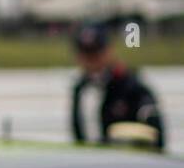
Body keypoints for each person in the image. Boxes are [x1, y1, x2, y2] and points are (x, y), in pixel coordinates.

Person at [70, 21, 165, 151]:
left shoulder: (132, 87)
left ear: (108, 50)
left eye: (95, 53)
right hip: (90, 164)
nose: (90, 59)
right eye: (85, 53)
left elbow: (157, 137)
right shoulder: (80, 89)